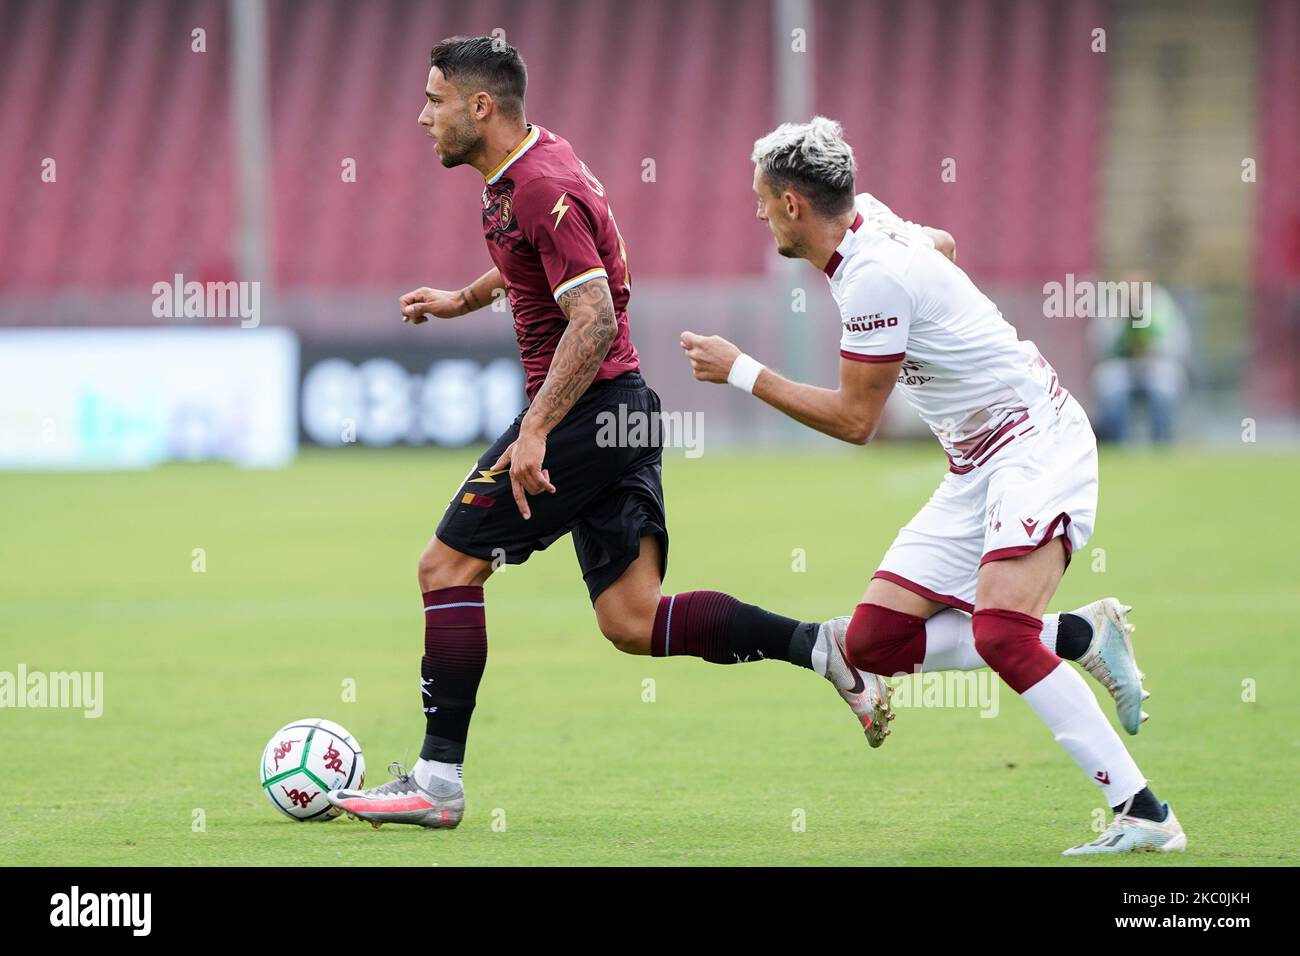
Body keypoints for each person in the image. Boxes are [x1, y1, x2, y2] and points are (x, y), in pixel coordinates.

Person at [325, 40, 898, 831]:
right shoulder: (530, 168)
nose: (423, 117)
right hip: (620, 411)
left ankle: (438, 780)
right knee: (632, 620)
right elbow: (548, 264)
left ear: (480, 107)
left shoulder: (539, 185)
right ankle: (820, 647)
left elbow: (589, 318)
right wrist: (464, 298)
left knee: (445, 569)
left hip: (589, 413)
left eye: (435, 100)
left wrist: (536, 430)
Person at [679, 117, 1186, 854]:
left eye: (762, 199)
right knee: (875, 641)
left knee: (1003, 633)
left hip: (1033, 441)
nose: (757, 213)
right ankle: (1082, 635)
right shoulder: (872, 217)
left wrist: (741, 372)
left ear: (792, 203)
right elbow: (942, 244)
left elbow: (857, 421)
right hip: (976, 461)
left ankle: (1143, 811)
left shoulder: (871, 280)